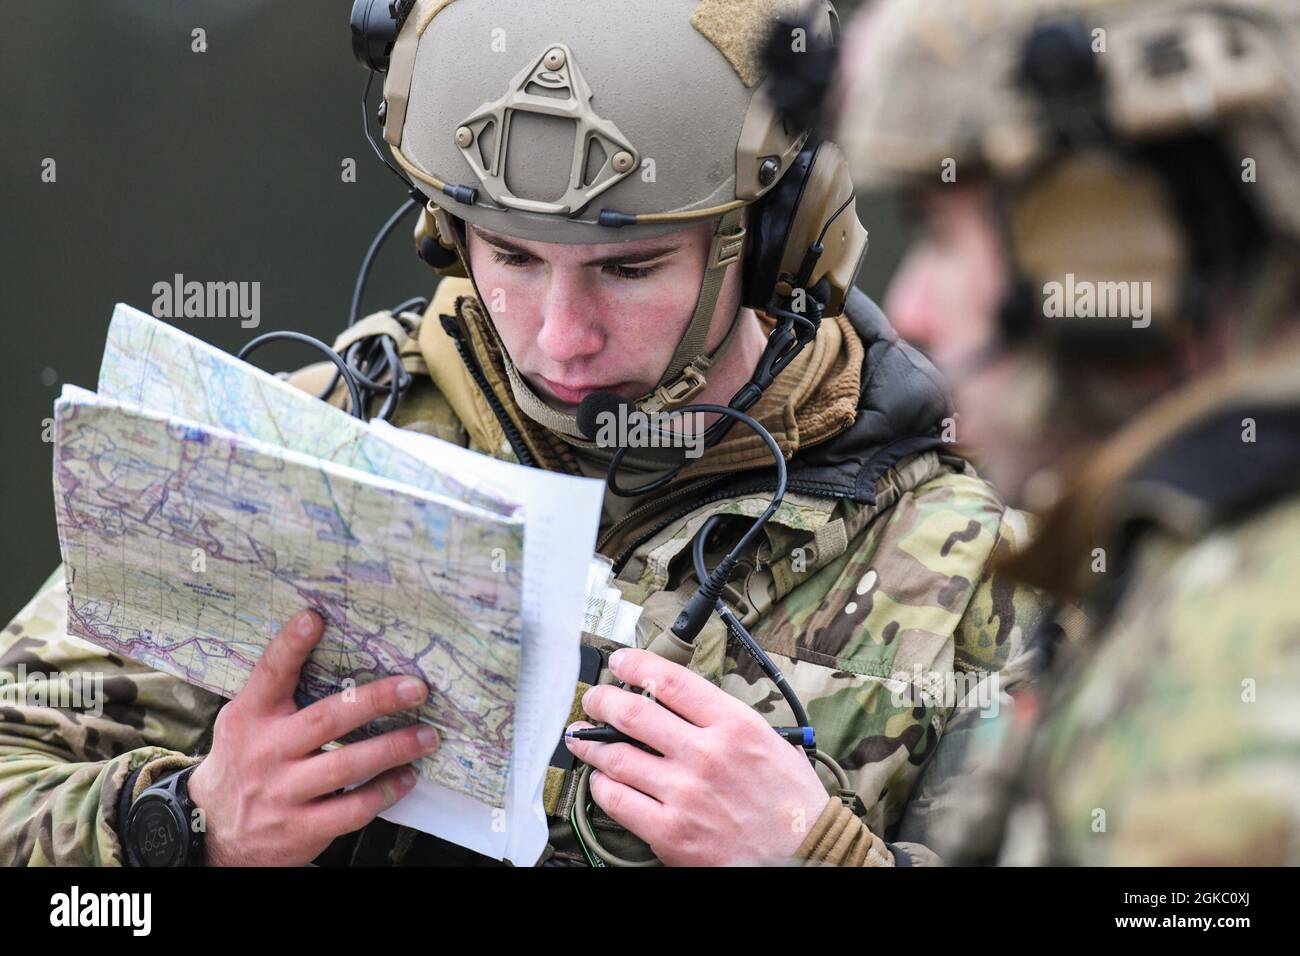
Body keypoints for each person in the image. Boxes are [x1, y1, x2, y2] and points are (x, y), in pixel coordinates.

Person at [0, 0, 1050, 867]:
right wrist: (187, 824)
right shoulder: (295, 448)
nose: (560, 337)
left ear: (774, 238)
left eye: (629, 267)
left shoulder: (980, 567)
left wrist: (815, 853)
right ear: (444, 231)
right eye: (511, 256)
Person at [835, 0, 1300, 863]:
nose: (910, 309)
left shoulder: (1233, 682)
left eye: (941, 235)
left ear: (1116, 246)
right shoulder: (1189, 553)